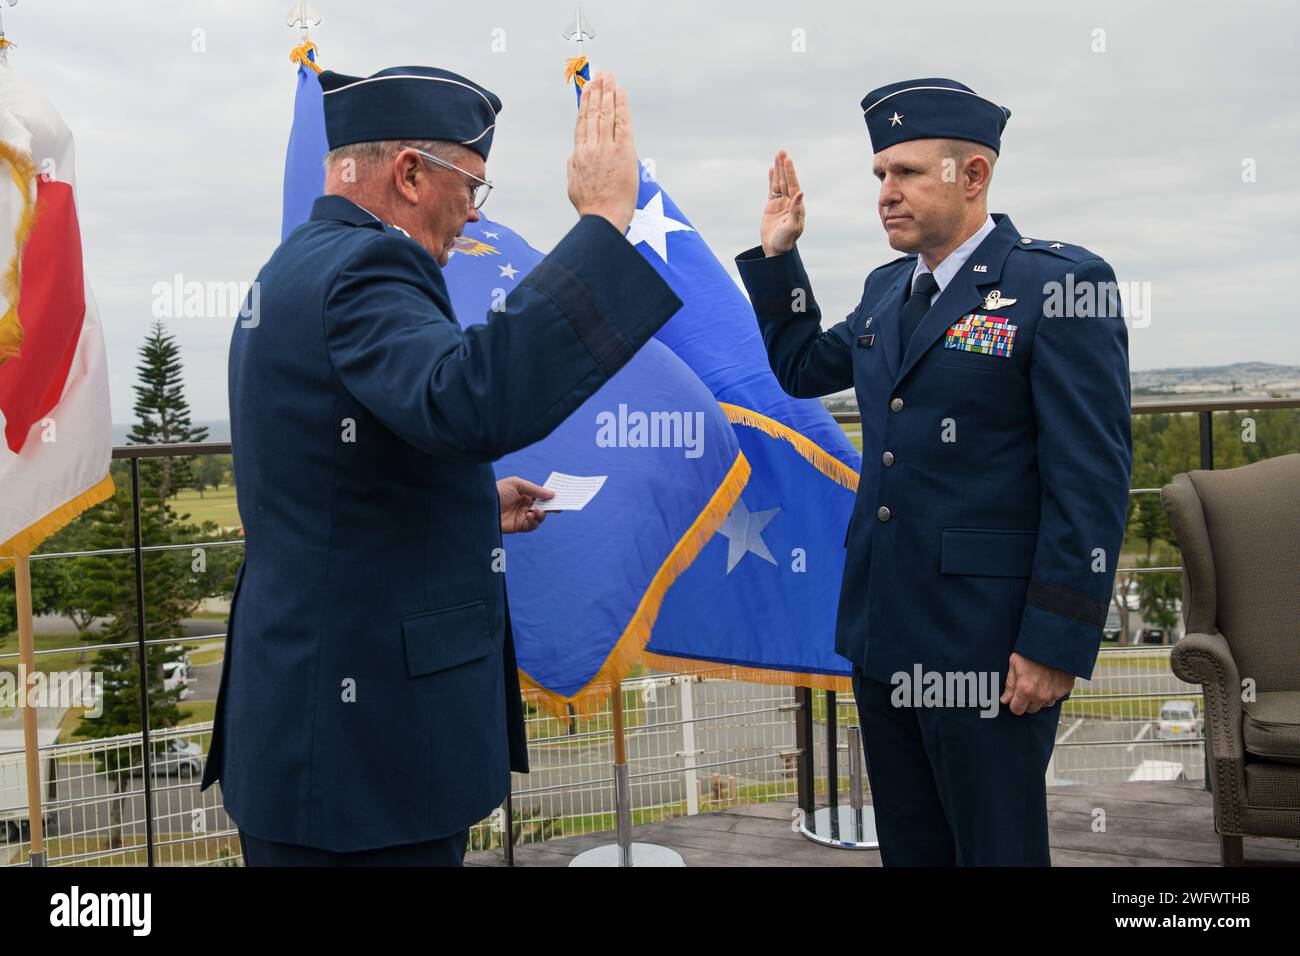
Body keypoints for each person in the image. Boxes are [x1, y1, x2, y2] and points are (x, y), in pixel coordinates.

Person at [201, 68, 682, 866]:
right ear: (411, 173)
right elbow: (467, 400)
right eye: (472, 186)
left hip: (316, 732)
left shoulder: (297, 264)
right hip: (368, 758)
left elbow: (341, 472)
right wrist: (601, 223)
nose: (472, 215)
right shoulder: (368, 269)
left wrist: (469, 505)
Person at [736, 78, 1132, 865]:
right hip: (886, 629)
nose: (886, 192)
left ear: (973, 176)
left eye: (909, 172)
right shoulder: (889, 289)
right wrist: (780, 258)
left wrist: (1055, 639)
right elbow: (802, 367)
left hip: (987, 646)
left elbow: (1089, 478)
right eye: (880, 174)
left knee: (994, 850)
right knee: (912, 849)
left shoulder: (1055, 286)